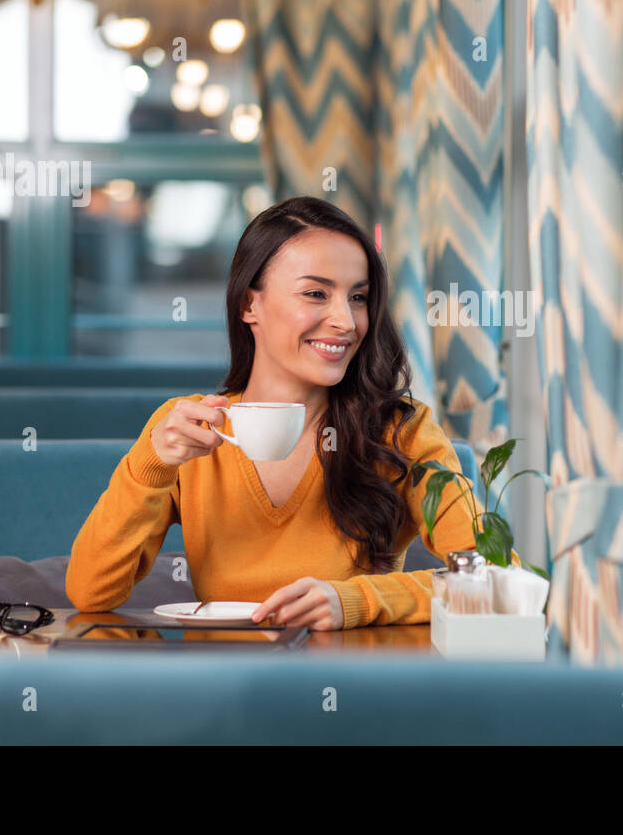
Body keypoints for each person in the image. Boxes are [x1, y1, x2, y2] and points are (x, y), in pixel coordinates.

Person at [65, 196, 478, 629]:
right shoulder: (189, 427)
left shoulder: (402, 432)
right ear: (250, 305)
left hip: (351, 682)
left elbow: (495, 578)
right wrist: (153, 464)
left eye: (358, 297)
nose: (347, 320)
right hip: (223, 687)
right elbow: (91, 592)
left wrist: (356, 600)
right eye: (316, 293)